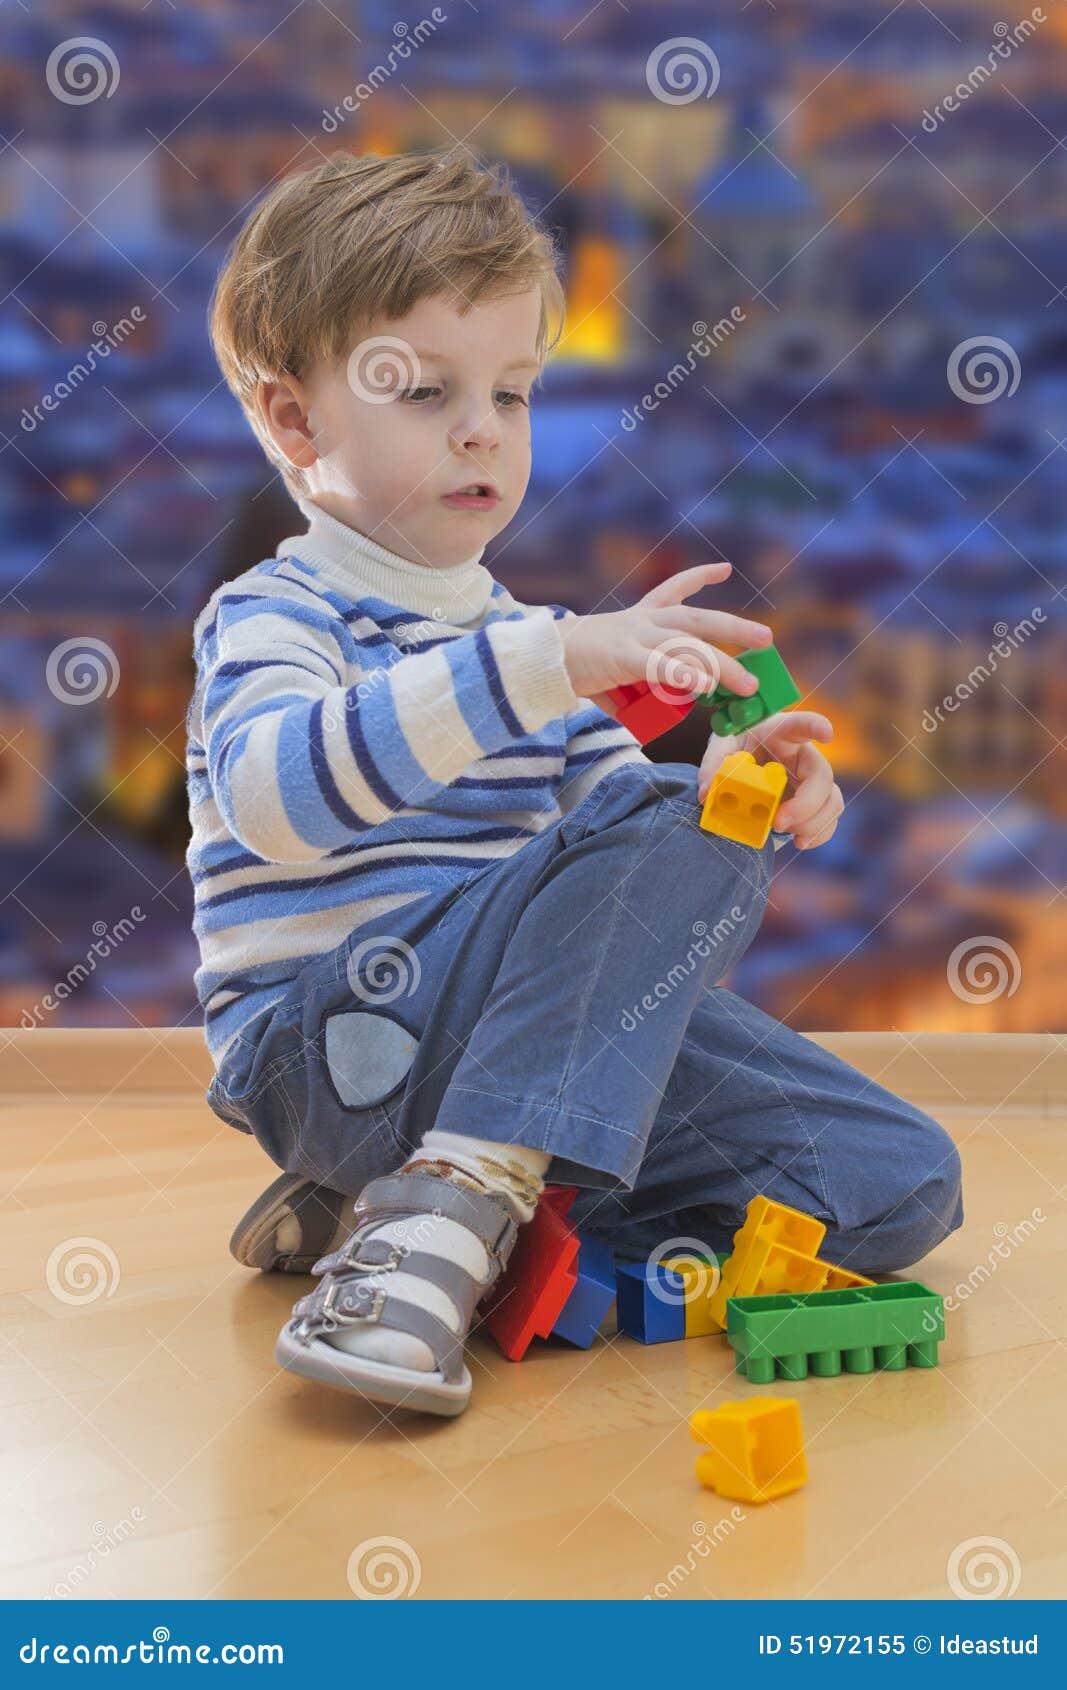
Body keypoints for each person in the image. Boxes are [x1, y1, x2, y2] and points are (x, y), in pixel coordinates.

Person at [190, 148, 962, 1417]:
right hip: (327, 1047)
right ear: (292, 420)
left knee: (899, 1179)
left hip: (499, 1063)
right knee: (648, 814)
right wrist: (550, 659)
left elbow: (628, 928)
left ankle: (442, 1215)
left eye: (513, 389)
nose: (483, 427)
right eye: (423, 390)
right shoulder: (274, 615)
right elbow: (278, 797)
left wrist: (741, 794)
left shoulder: (530, 648)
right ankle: (442, 1210)